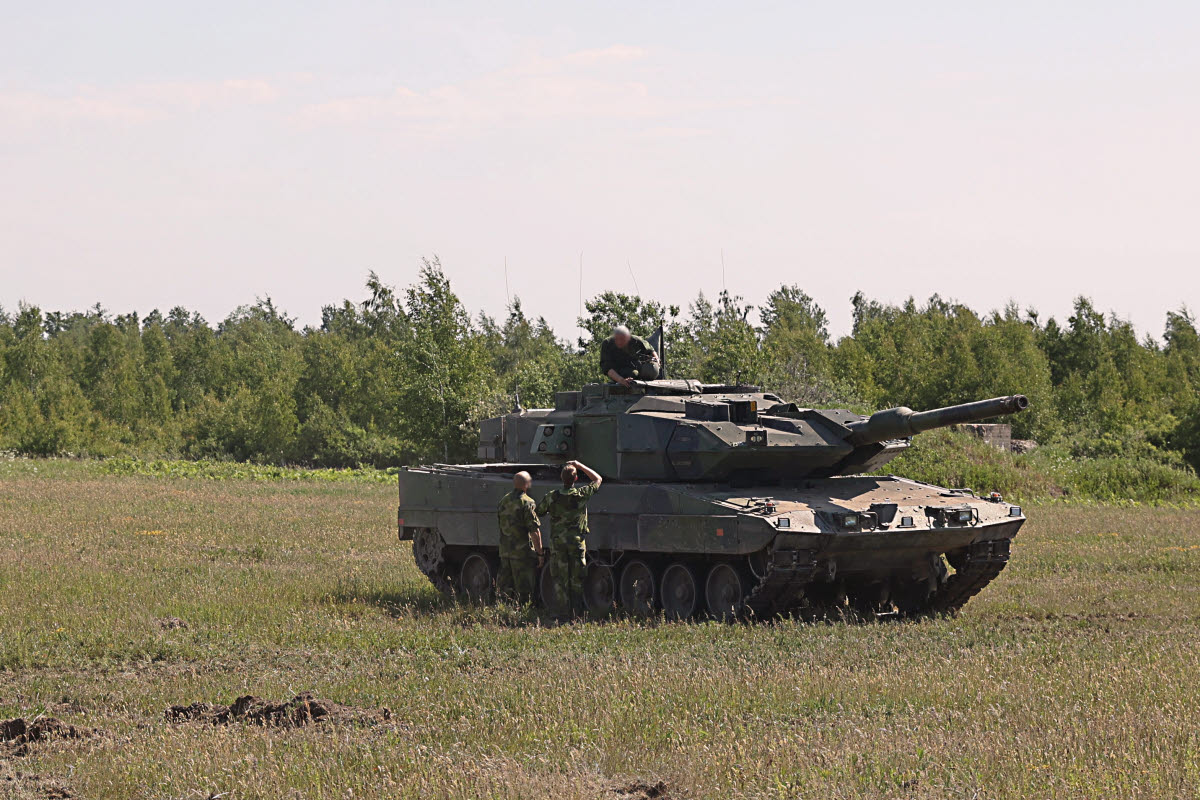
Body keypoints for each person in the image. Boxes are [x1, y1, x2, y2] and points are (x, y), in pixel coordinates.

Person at [536, 460, 602, 616]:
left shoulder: (552, 496)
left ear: (561, 478)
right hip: (576, 542)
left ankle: (562, 613)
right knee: (576, 578)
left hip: (558, 542)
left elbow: (539, 512)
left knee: (560, 578)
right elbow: (598, 479)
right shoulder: (581, 494)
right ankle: (576, 613)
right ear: (576, 479)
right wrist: (579, 465)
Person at [495, 471, 544, 603]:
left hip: (505, 551)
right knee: (524, 588)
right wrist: (540, 553)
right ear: (526, 484)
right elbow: (534, 531)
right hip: (522, 553)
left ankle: (504, 609)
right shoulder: (527, 502)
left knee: (505, 586)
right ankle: (523, 610)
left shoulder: (504, 500)